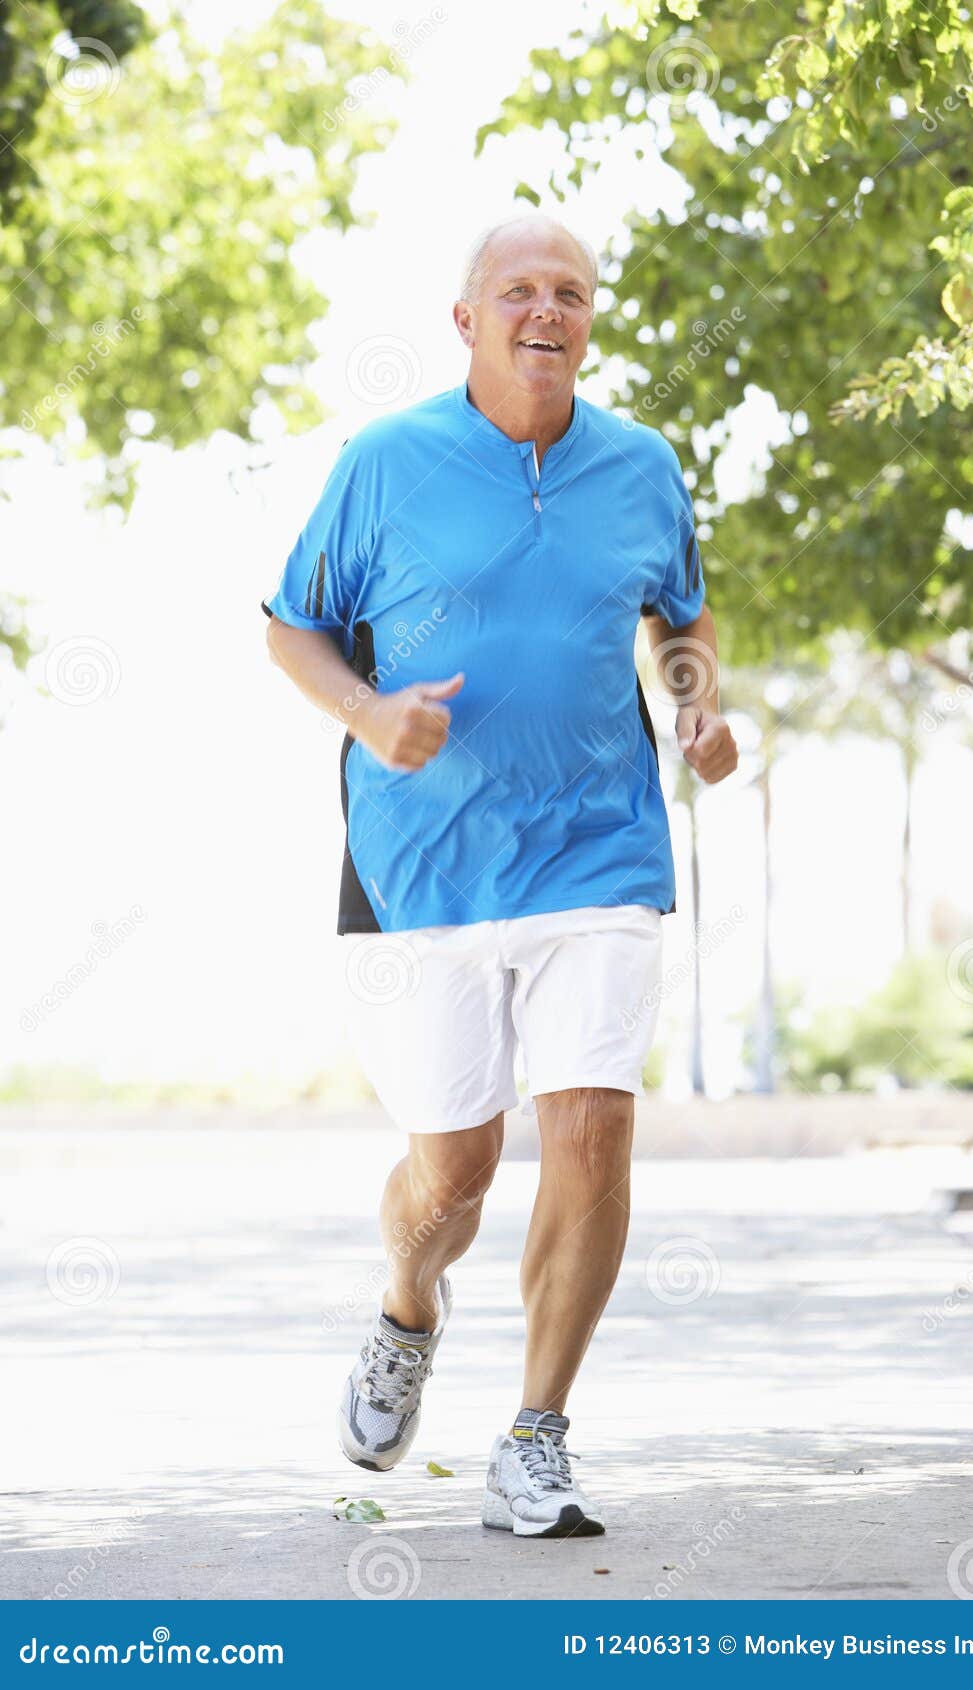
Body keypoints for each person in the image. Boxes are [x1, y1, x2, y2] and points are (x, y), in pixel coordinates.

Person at [262, 214, 737, 1539]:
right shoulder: (385, 462)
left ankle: (536, 1435)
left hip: (600, 850)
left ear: (591, 319)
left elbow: (678, 613)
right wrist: (367, 715)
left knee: (590, 1129)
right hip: (419, 872)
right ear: (466, 319)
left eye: (571, 293)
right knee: (455, 1169)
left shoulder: (641, 467)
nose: (548, 310)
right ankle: (408, 1306)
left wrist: (695, 708)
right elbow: (291, 629)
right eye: (519, 290)